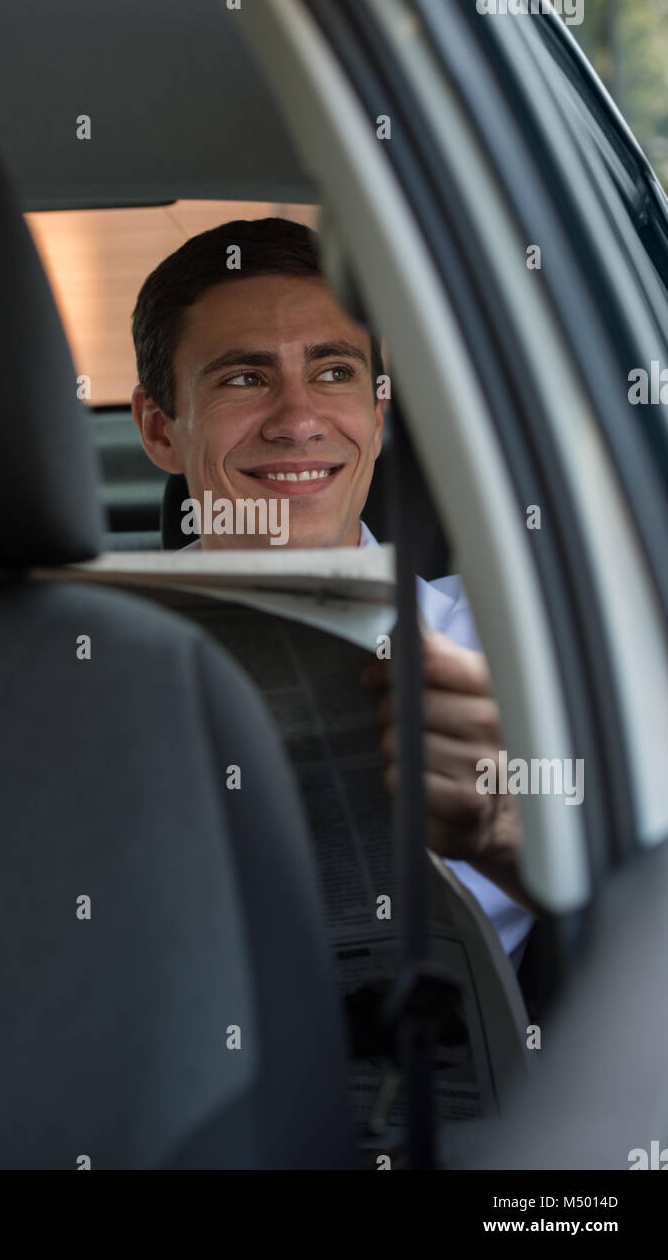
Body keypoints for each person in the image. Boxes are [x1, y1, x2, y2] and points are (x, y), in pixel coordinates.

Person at [131, 217, 535, 966]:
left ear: (376, 419)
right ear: (159, 429)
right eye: (244, 378)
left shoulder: (519, 645)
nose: (298, 421)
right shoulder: (82, 653)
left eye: (333, 372)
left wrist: (507, 835)